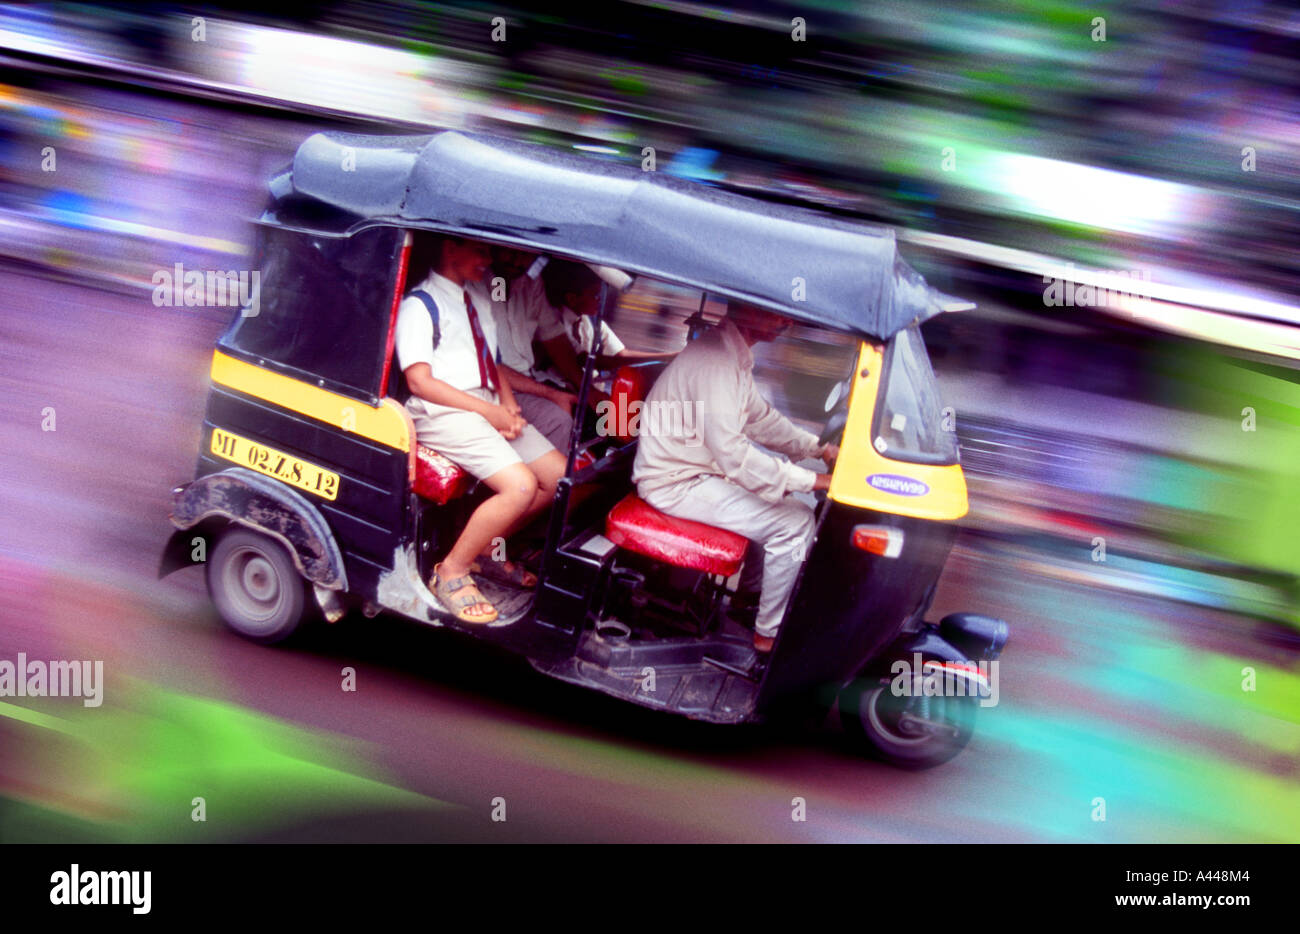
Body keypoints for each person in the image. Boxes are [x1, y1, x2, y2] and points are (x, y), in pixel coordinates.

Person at [631, 300, 838, 653]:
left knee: (778, 501)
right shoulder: (716, 361)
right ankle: (767, 635)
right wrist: (814, 481)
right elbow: (734, 455)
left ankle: (749, 599)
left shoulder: (732, 357)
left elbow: (760, 419)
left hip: (696, 472)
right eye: (776, 312)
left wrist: (818, 449)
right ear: (748, 311)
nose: (786, 321)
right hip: (674, 483)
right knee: (795, 522)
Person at [394, 234, 566, 624]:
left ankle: (487, 549)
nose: (489, 260)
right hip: (440, 410)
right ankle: (452, 569)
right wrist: (488, 413)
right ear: (450, 248)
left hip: (484, 403)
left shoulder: (480, 300)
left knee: (558, 479)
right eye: (481, 250)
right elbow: (421, 382)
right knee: (521, 486)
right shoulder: (420, 306)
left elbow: (494, 363)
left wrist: (506, 404)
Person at [488, 247, 583, 451]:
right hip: (493, 387)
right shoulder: (480, 284)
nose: (516, 261)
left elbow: (554, 338)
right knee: (558, 420)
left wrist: (587, 390)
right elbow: (490, 364)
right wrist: (551, 394)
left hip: (526, 382)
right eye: (510, 251)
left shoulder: (529, 284)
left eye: (525, 254)